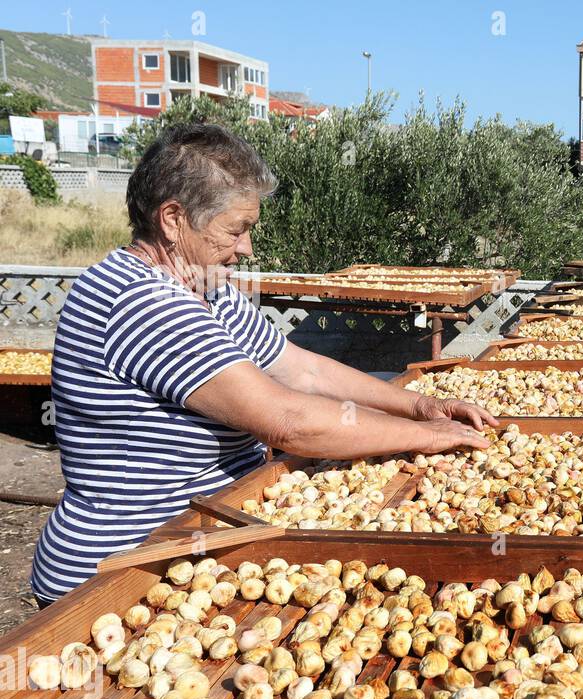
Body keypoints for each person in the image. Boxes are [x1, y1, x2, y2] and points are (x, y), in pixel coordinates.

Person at [32, 124, 497, 604]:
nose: (247, 248)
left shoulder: (205, 286)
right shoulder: (142, 301)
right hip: (126, 570)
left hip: (203, 542)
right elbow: (286, 421)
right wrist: (431, 439)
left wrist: (421, 406)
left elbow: (302, 370)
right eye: (235, 229)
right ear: (173, 219)